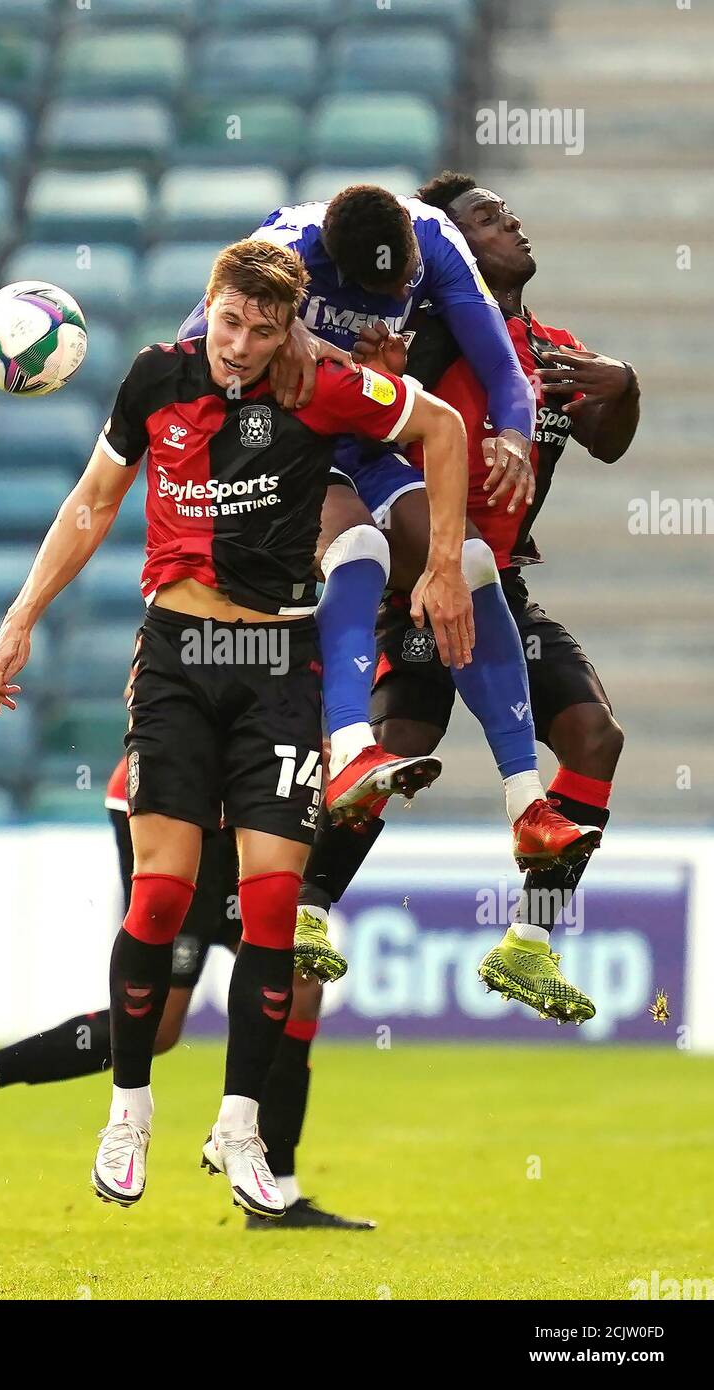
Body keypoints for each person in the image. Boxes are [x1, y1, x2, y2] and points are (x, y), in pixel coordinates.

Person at [0, 238, 469, 1219]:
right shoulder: (157, 378)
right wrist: (18, 615)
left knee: (275, 909)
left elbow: (444, 428)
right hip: (178, 663)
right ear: (211, 309)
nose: (239, 344)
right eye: (228, 322)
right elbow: (90, 504)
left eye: (261, 327)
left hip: (279, 670)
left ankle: (238, 1128)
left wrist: (443, 563)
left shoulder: (327, 386)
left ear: (288, 325)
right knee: (157, 900)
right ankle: (127, 1112)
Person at [179, 185, 602, 983]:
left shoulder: (433, 242)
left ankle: (527, 808)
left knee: (470, 561)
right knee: (361, 548)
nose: (399, 300)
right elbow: (198, 355)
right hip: (274, 446)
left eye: (405, 287)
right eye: (378, 295)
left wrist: (512, 435)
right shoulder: (284, 251)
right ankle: (347, 751)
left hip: (361, 433)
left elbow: (504, 372)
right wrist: (285, 347)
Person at [300, 171, 639, 1023]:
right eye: (485, 218)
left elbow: (606, 444)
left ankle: (528, 946)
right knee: (399, 744)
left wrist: (622, 387)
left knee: (593, 737)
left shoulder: (554, 351)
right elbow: (357, 425)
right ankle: (303, 913)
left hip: (500, 579)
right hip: (425, 568)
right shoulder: (428, 335)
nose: (510, 222)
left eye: (506, 210)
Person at [0, 753, 375, 1228]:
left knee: (298, 984)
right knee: (163, 1024)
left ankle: (281, 1192)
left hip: (244, 809)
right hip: (186, 805)